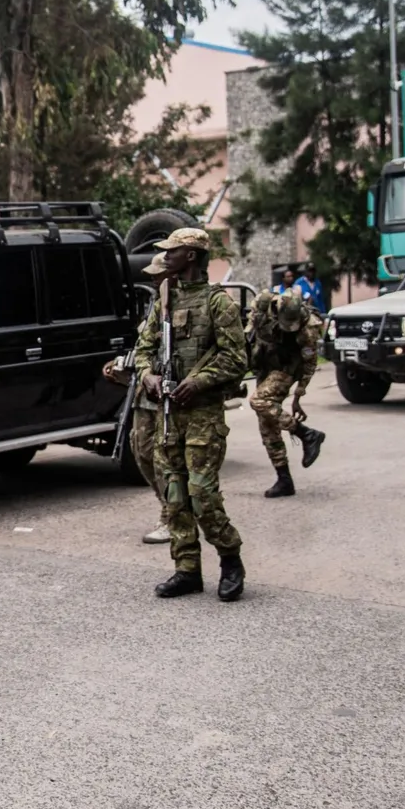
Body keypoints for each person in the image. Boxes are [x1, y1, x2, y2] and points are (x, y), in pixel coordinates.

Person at [135, 228, 249, 601]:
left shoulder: (218, 304)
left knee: (202, 494)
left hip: (202, 414)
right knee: (174, 496)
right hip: (168, 412)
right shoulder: (164, 301)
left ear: (193, 255)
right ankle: (186, 570)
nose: (166, 255)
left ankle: (230, 558)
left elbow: (236, 358)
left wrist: (198, 382)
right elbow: (143, 349)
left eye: (174, 250)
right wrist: (148, 374)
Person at [103, 252, 174, 545]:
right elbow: (145, 347)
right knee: (140, 451)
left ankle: (173, 517)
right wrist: (124, 365)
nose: (154, 279)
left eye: (159, 274)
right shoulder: (155, 306)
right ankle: (170, 508)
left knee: (165, 458)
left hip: (173, 394)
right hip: (146, 390)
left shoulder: (187, 306)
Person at [246, 290, 328, 498]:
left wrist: (298, 396)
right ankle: (284, 480)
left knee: (259, 400)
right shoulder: (263, 304)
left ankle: (306, 434)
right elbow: (251, 331)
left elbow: (309, 363)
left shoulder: (308, 328)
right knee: (268, 425)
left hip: (286, 368)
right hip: (265, 364)